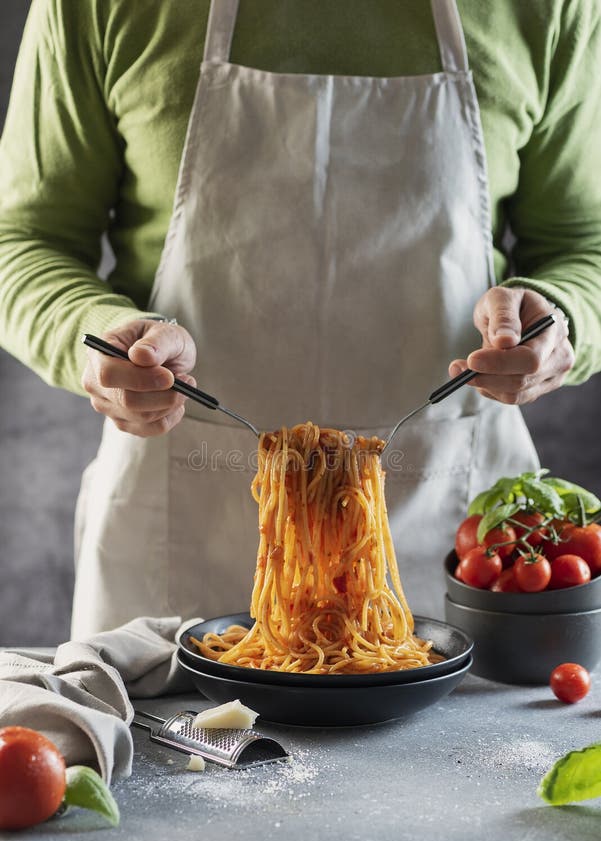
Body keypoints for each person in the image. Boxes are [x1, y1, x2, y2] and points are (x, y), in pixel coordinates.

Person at [0, 0, 599, 638]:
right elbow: (24, 238)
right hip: (177, 534)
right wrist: (91, 335)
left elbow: (584, 243)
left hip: (454, 533)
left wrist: (561, 318)